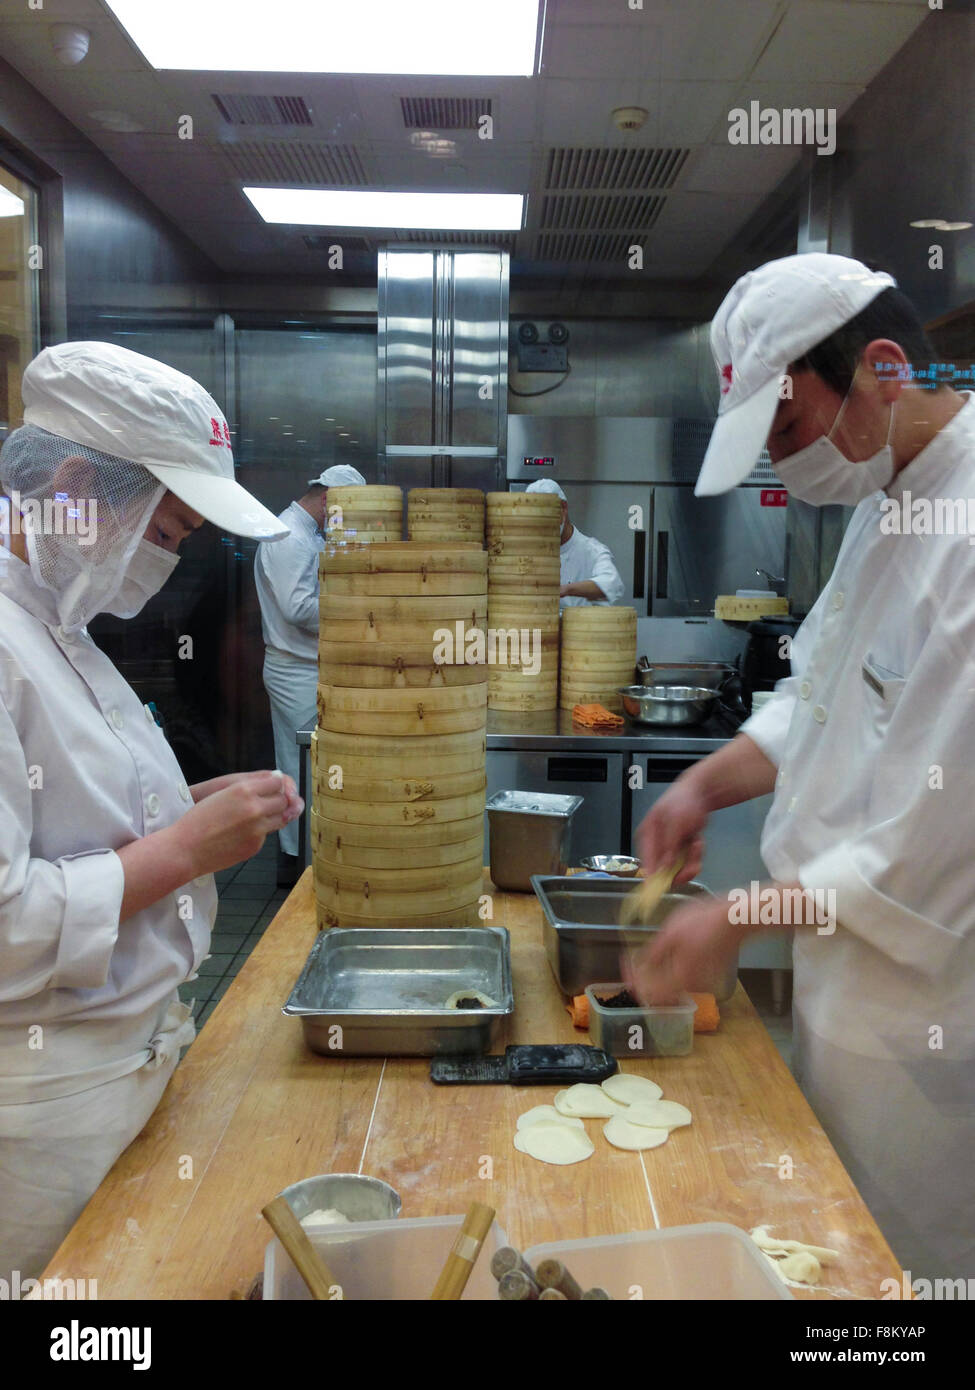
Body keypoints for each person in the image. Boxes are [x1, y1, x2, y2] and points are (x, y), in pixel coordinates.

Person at [629, 251, 975, 1281]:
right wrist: (702, 783)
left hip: (929, 1019)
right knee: (827, 1251)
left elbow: (922, 859)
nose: (785, 466)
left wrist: (733, 916)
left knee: (896, 1270)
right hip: (843, 985)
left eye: (786, 429)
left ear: (882, 369)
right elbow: (816, 698)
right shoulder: (889, 502)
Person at [0, 340, 304, 1286]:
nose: (166, 563)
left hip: (121, 1070)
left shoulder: (59, 621)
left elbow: (72, 820)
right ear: (80, 485)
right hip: (44, 1116)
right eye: (165, 533)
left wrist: (183, 809)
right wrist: (180, 851)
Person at [253, 464, 366, 882]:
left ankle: (307, 855)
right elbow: (297, 608)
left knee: (308, 766)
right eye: (345, 510)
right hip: (294, 671)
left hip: (308, 667)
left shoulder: (307, 535)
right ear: (326, 499)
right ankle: (299, 864)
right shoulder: (290, 537)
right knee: (302, 767)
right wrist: (354, 611)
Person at [525, 477, 624, 606]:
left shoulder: (591, 550)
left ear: (563, 509)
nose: (540, 526)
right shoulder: (528, 552)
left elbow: (612, 583)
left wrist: (566, 589)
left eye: (545, 516)